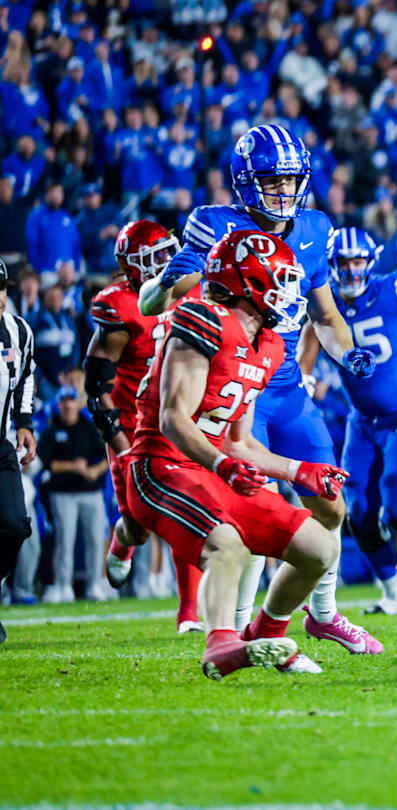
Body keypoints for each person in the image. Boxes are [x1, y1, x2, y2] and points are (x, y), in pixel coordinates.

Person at [138, 124, 381, 655]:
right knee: (255, 508)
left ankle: (322, 614)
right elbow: (155, 304)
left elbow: (326, 316)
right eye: (272, 181)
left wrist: (348, 353)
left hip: (287, 386)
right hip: (235, 387)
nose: (283, 191)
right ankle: (242, 633)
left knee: (332, 504)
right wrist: (166, 279)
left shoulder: (316, 228)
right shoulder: (214, 224)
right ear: (246, 181)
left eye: (291, 180)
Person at [122, 230, 348, 679]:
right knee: (227, 542)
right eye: (279, 279)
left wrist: (298, 470)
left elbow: (239, 440)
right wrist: (223, 465)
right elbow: (173, 418)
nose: (287, 292)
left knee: (320, 548)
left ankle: (265, 634)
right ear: (250, 279)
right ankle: (220, 643)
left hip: (210, 468)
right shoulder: (202, 318)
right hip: (161, 465)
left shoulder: (268, 345)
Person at [298, 226, 397, 614]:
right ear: (331, 265)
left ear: (370, 261)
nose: (352, 271)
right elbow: (303, 361)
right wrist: (301, 382)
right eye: (344, 263)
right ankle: (394, 595)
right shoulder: (323, 300)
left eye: (358, 261)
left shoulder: (393, 289)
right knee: (361, 513)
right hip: (362, 422)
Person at [87, 220, 205, 632]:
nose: (166, 263)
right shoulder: (118, 305)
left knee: (185, 510)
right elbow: (96, 390)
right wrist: (120, 445)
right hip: (131, 426)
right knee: (139, 526)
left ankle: (189, 612)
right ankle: (123, 541)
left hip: (177, 419)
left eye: (168, 252)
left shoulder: (192, 285)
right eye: (154, 258)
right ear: (132, 266)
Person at [36, 386, 108, 602]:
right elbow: (47, 464)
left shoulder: (89, 427)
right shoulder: (51, 430)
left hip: (90, 492)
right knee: (65, 541)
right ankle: (63, 585)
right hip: (63, 492)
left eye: (71, 401)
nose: (67, 405)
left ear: (77, 403)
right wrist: (73, 466)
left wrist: (94, 470)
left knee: (95, 539)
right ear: (59, 405)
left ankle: (95, 584)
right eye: (64, 401)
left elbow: (105, 457)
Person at [0, 257, 37, 643]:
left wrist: (24, 423)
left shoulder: (19, 332)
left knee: (15, 525)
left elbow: (26, 374)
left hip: (1, 444)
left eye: (2, 288)